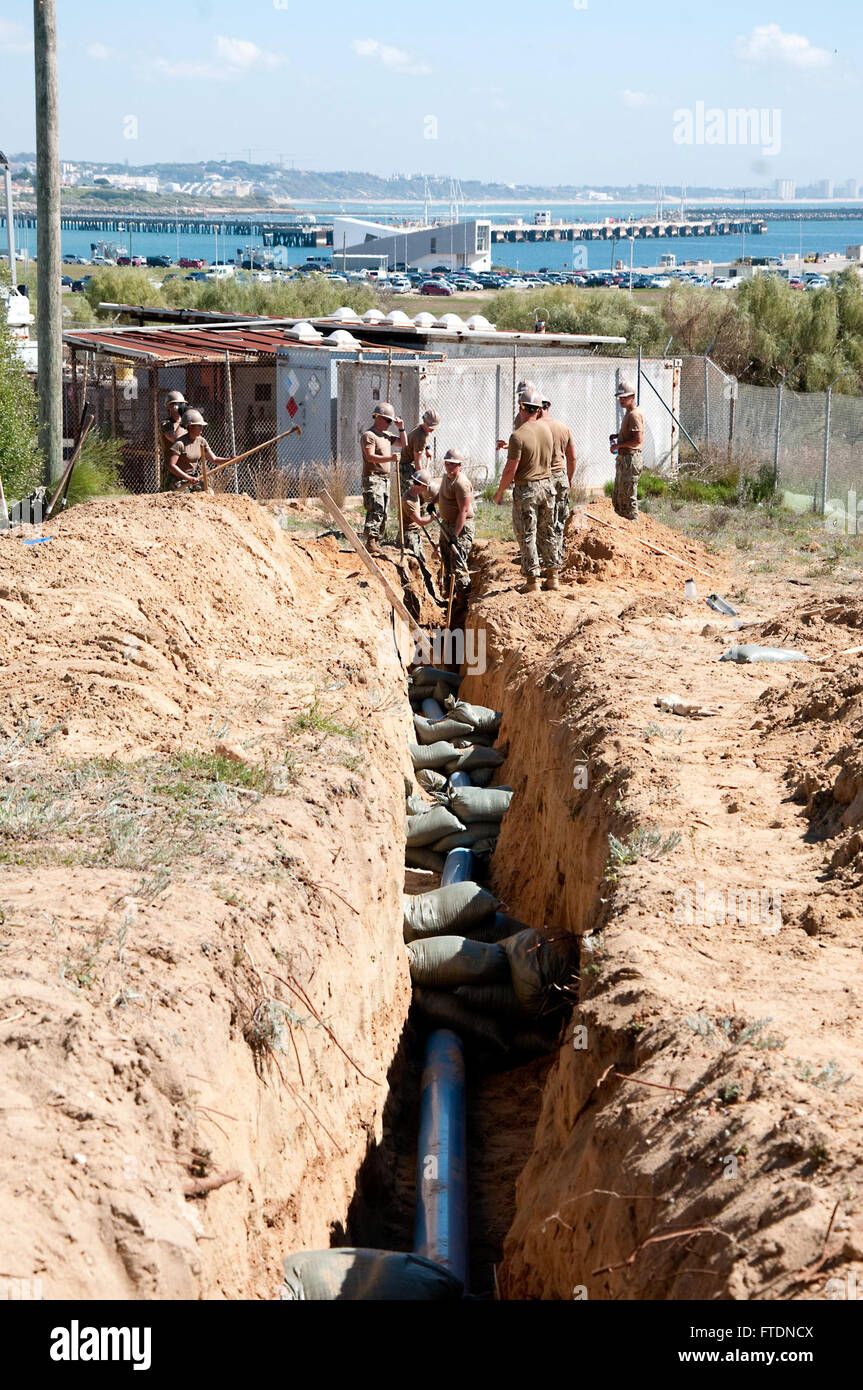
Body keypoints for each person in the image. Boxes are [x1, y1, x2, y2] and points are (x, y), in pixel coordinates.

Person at [494, 388, 558, 594]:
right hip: (548, 487)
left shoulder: (517, 436)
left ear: (521, 408)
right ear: (538, 410)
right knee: (547, 532)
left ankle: (532, 582)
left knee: (527, 534)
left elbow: (510, 469)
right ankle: (552, 577)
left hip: (527, 489)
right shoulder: (547, 430)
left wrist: (499, 492)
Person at [360, 401, 407, 555]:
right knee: (376, 508)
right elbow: (370, 457)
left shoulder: (387, 435)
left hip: (385, 479)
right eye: (387, 421)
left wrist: (401, 428)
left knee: (384, 512)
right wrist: (390, 458)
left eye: (390, 422)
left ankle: (376, 541)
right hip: (373, 478)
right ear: (378, 417)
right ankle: (371, 541)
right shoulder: (369, 436)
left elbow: (403, 444)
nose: (389, 424)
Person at [541, 396, 577, 567]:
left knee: (544, 521)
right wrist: (568, 478)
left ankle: (546, 559)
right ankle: (558, 557)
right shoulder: (563, 427)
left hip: (544, 479)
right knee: (559, 521)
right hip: (561, 477)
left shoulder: (535, 429)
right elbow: (572, 458)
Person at [434, 449, 475, 595]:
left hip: (461, 528)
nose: (449, 467)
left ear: (459, 465)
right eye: (447, 463)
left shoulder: (461, 483)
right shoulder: (446, 477)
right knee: (446, 559)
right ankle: (450, 593)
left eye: (453, 464)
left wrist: (455, 536)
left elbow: (463, 511)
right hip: (446, 524)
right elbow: (442, 494)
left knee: (458, 564)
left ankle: (463, 600)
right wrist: (433, 502)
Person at [162, 409, 230, 493]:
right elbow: (171, 465)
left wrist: (230, 460)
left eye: (202, 426)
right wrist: (188, 478)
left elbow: (214, 459)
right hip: (177, 480)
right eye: (199, 426)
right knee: (185, 498)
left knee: (209, 492)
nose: (202, 428)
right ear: (190, 426)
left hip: (193, 479)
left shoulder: (201, 441)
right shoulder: (180, 443)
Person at [610, 380, 645, 521]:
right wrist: (618, 437)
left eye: (624, 397)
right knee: (619, 497)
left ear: (633, 397)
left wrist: (618, 446)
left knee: (628, 498)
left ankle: (633, 528)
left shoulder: (634, 414)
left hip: (630, 459)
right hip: (624, 459)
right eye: (620, 398)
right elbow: (631, 435)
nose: (621, 401)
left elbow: (638, 440)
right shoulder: (629, 413)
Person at [400, 470, 439, 596]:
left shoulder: (416, 494)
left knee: (422, 564)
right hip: (409, 536)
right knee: (416, 567)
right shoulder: (408, 500)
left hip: (415, 534)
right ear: (421, 486)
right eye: (425, 487)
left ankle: (426, 594)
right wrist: (436, 515)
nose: (426, 490)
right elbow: (421, 521)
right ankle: (417, 594)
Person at [399, 408, 440, 497]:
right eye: (430, 427)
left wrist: (427, 448)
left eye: (433, 427)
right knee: (411, 495)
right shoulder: (419, 437)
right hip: (407, 467)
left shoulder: (420, 427)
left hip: (409, 464)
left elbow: (424, 440)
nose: (432, 430)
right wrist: (423, 478)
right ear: (424, 422)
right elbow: (418, 462)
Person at [161, 390, 188, 463]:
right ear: (169, 406)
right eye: (176, 404)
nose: (180, 407)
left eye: (182, 404)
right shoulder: (166, 424)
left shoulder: (187, 423)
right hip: (173, 467)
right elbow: (175, 439)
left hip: (187, 466)